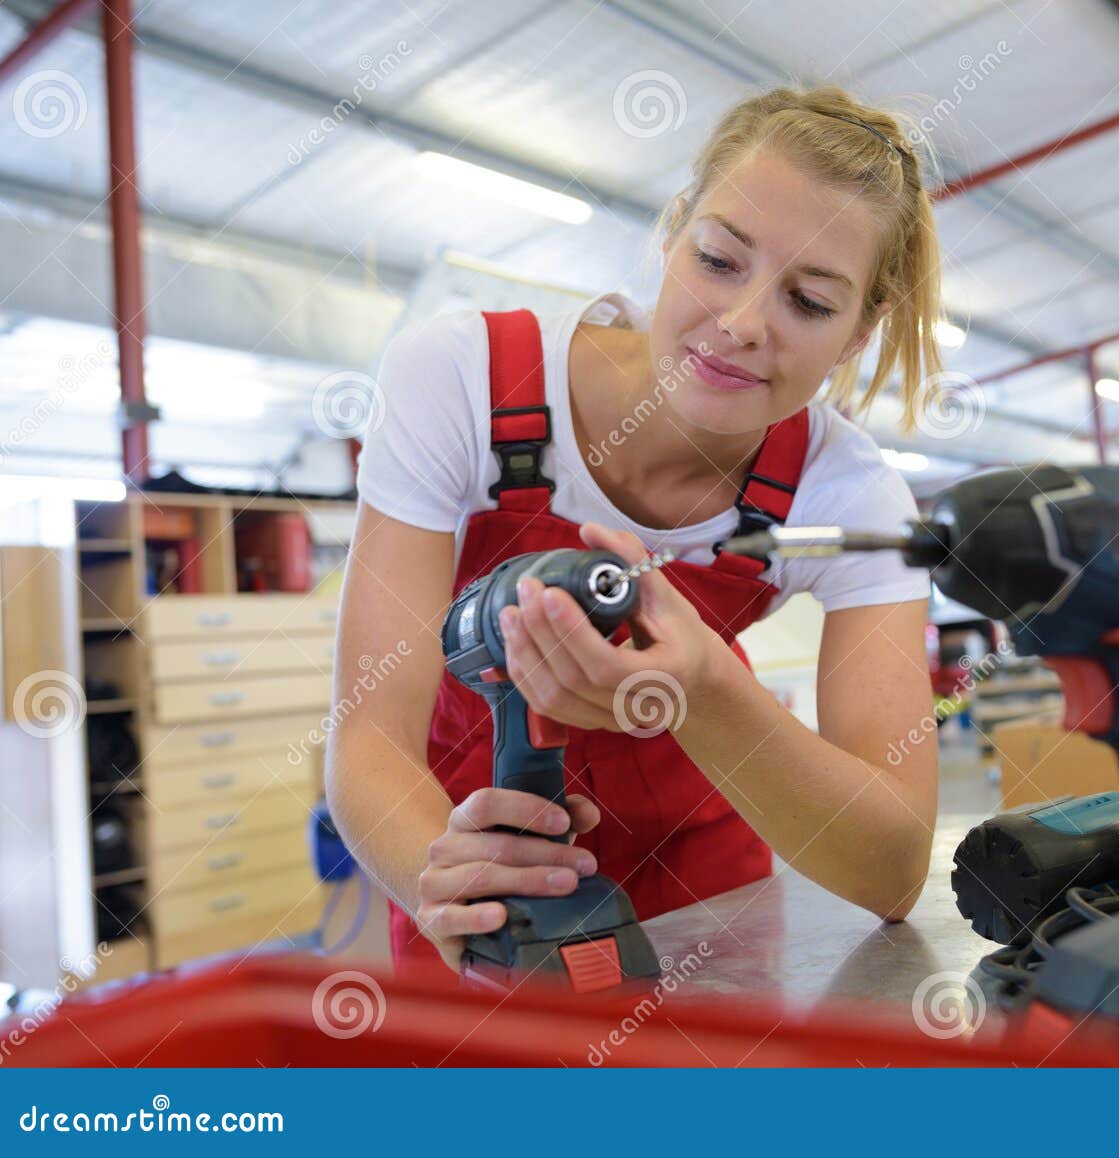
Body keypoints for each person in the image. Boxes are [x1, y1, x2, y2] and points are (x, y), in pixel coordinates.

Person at [325, 85, 947, 983]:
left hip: (708, 905)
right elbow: (369, 739)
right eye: (720, 259)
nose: (741, 325)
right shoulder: (461, 378)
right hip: (467, 869)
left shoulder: (850, 497)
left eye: (809, 303)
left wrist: (704, 693)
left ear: (859, 333)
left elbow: (892, 871)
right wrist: (445, 879)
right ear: (672, 229)